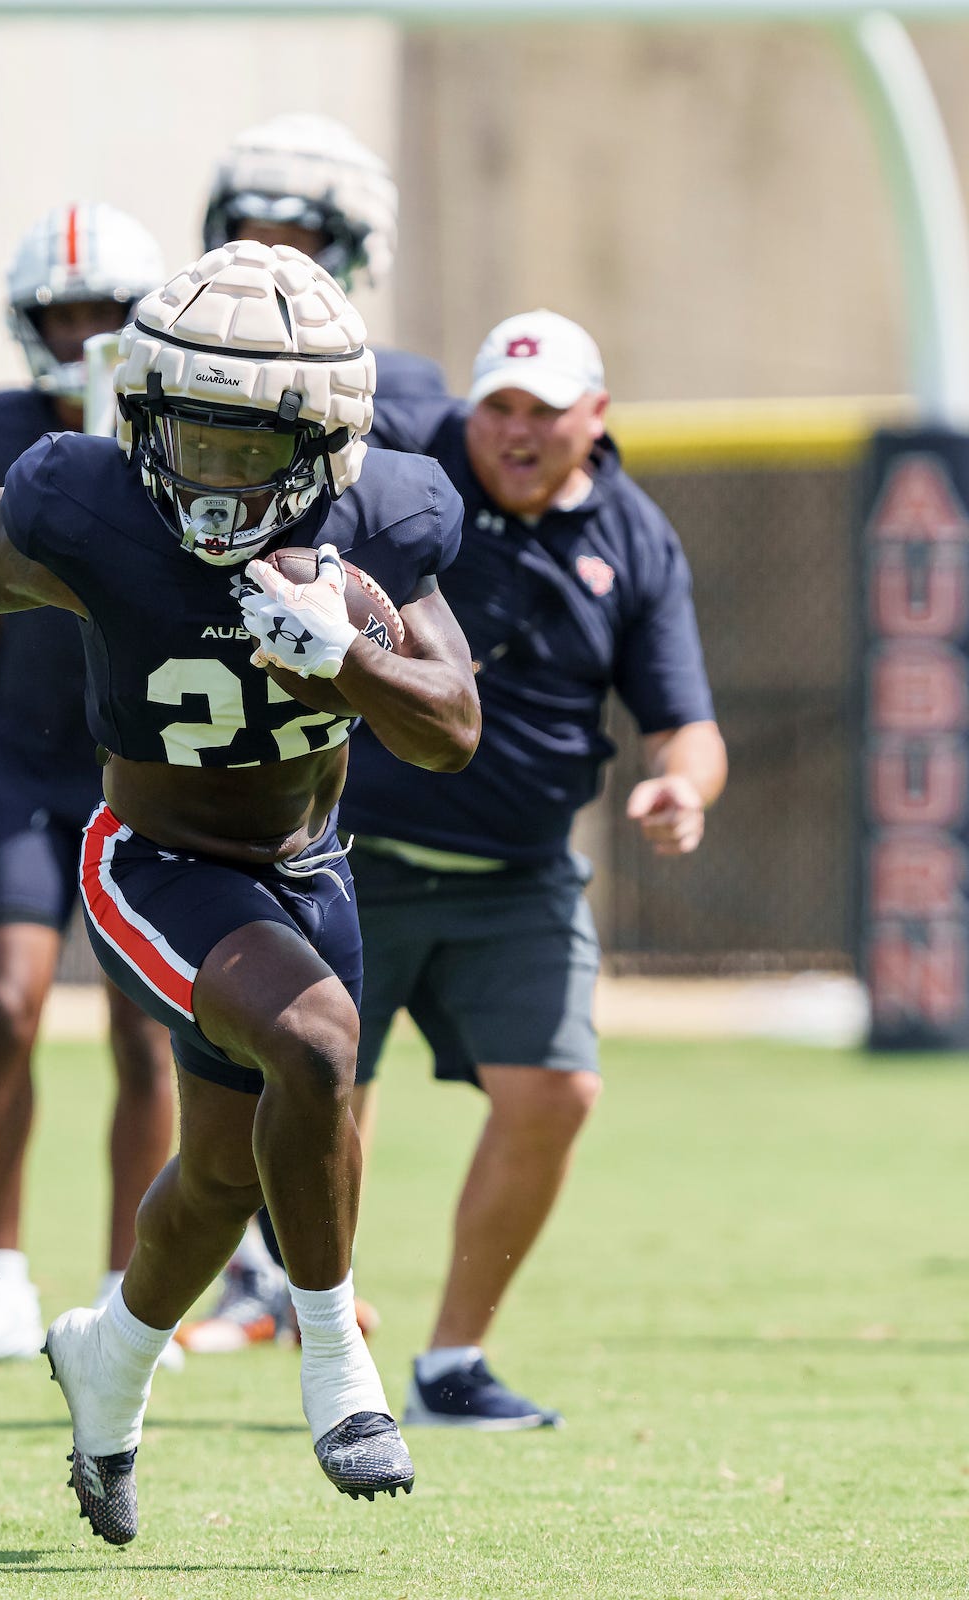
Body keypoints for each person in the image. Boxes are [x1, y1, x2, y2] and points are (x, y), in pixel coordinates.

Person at [0, 242, 479, 1539]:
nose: (209, 478)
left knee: (220, 1180)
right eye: (188, 440)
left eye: (244, 448)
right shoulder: (90, 507)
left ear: (328, 449)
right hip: (152, 862)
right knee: (322, 1045)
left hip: (305, 870)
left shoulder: (382, 518)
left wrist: (347, 661)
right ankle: (338, 1366)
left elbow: (451, 725)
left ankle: (105, 1364)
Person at [341, 311, 724, 1429]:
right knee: (314, 1094)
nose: (516, 431)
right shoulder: (407, 493)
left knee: (557, 1089)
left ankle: (452, 1362)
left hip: (516, 875)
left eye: (544, 412)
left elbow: (686, 721)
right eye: (498, 407)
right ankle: (317, 1309)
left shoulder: (638, 539)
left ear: (594, 421)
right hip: (349, 854)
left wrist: (681, 788)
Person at [0, 203, 185, 1370]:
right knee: (7, 1009)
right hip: (24, 765)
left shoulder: (184, 430)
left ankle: (130, 1293)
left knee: (142, 1035)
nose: (83, 334)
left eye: (104, 311)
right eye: (61, 313)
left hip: (146, 774)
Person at [181, 109, 445, 1353]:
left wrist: (364, 654)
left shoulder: (410, 418)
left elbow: (426, 587)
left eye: (301, 235)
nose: (273, 256)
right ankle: (231, 1270)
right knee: (235, 1044)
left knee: (339, 1038)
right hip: (204, 736)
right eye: (251, 232)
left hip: (338, 748)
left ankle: (305, 1271)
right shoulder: (177, 367)